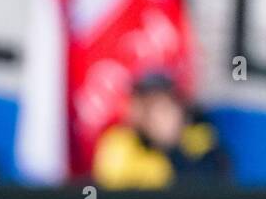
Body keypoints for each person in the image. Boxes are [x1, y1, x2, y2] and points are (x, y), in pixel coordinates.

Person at [92, 70, 231, 190]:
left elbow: (212, 184)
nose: (155, 116)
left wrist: (171, 146)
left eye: (164, 106)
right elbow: (114, 192)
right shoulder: (121, 143)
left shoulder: (198, 137)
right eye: (147, 106)